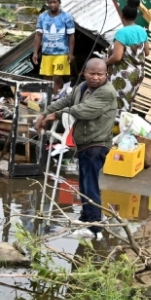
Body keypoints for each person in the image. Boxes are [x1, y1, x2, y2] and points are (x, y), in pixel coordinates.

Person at [37, 59, 117, 240]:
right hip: (85, 142)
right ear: (84, 73)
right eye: (92, 74)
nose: (96, 77)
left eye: (100, 74)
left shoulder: (107, 93)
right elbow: (66, 100)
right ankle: (85, 217)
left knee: (90, 185)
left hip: (97, 143)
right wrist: (44, 113)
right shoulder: (82, 87)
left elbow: (84, 110)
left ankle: (95, 228)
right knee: (84, 183)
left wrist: (56, 115)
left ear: (106, 75)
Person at [106, 0, 147, 114]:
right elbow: (147, 52)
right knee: (128, 102)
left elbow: (117, 57)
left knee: (118, 103)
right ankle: (125, 127)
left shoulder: (122, 33)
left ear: (122, 15)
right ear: (136, 16)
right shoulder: (142, 30)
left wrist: (105, 61)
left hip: (123, 75)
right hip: (138, 73)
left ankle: (115, 128)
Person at [34, 0, 76, 94]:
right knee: (47, 77)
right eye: (50, 3)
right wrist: (35, 52)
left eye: (54, 2)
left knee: (57, 76)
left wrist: (70, 53)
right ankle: (49, 96)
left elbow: (71, 36)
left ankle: (54, 96)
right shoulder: (42, 17)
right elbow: (38, 35)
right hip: (47, 53)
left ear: (59, 3)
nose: (52, 5)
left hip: (61, 53)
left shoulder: (67, 17)